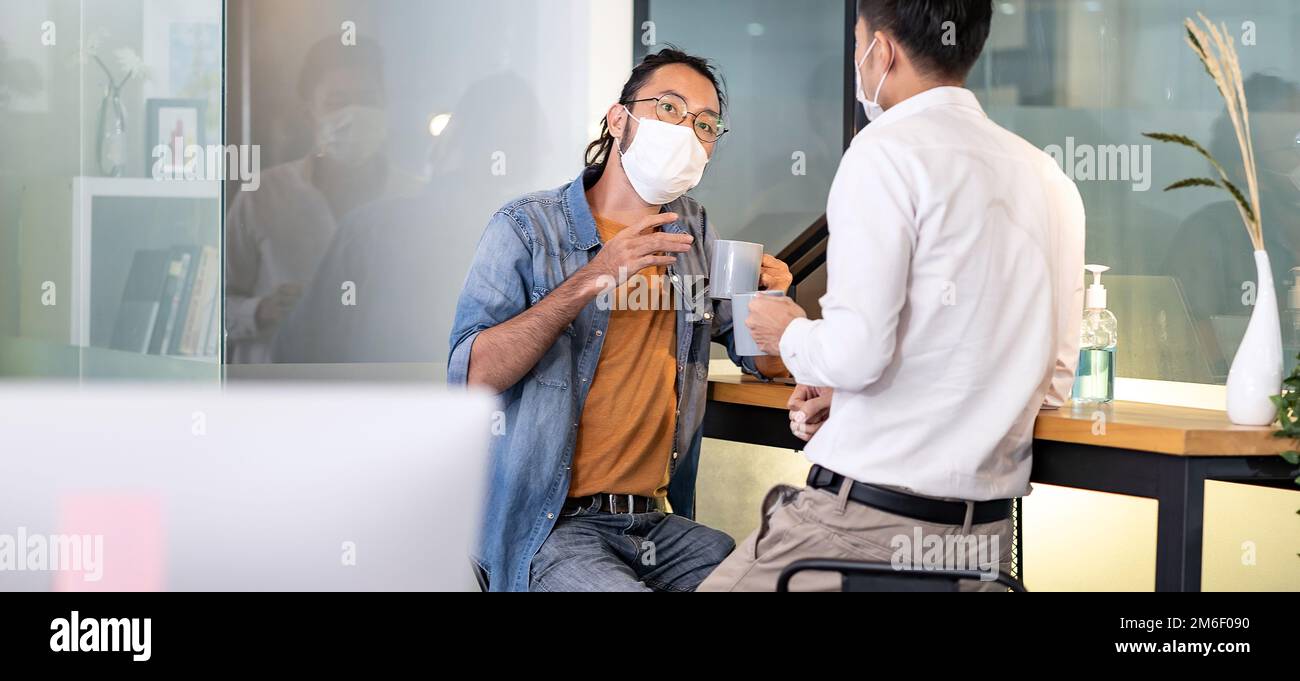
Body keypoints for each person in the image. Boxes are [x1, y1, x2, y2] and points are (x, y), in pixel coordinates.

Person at [699, 0, 1086, 591]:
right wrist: (865, 399)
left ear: (883, 50)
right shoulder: (1050, 179)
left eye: (858, 44)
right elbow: (1054, 382)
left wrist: (789, 332)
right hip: (981, 550)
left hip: (859, 536)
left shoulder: (884, 152)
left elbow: (858, 351)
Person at [447, 48, 793, 592]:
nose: (688, 133)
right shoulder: (526, 227)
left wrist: (772, 300)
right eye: (671, 110)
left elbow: (763, 359)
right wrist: (594, 276)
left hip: (655, 521)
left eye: (706, 125)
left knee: (782, 580)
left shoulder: (694, 234)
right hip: (553, 528)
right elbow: (473, 377)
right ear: (618, 118)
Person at [225, 35, 421, 364]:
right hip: (276, 395)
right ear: (308, 112)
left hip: (382, 392)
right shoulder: (263, 193)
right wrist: (261, 310)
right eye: (337, 101)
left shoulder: (416, 198)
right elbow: (212, 306)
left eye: (366, 99)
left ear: (386, 107)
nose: (352, 114)